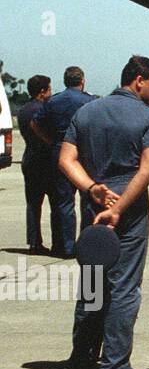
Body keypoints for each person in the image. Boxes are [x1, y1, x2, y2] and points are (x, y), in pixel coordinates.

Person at [59, 56, 149, 369]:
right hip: (130, 209)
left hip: (94, 207)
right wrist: (119, 207)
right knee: (124, 286)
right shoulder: (148, 118)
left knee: (93, 284)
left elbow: (66, 160)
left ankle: (81, 360)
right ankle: (115, 364)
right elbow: (148, 169)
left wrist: (92, 188)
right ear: (138, 80)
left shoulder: (86, 111)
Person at [32, 66, 96, 257]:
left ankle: (65, 247)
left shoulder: (54, 101)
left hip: (60, 152)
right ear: (82, 81)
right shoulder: (90, 101)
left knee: (63, 202)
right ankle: (86, 245)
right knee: (88, 200)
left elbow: (35, 123)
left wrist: (50, 141)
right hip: (84, 154)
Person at [17, 74, 55, 254]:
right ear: (42, 91)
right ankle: (60, 242)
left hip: (29, 158)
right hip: (46, 161)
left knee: (33, 204)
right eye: (49, 88)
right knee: (57, 203)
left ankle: (34, 242)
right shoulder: (45, 110)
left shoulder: (23, 110)